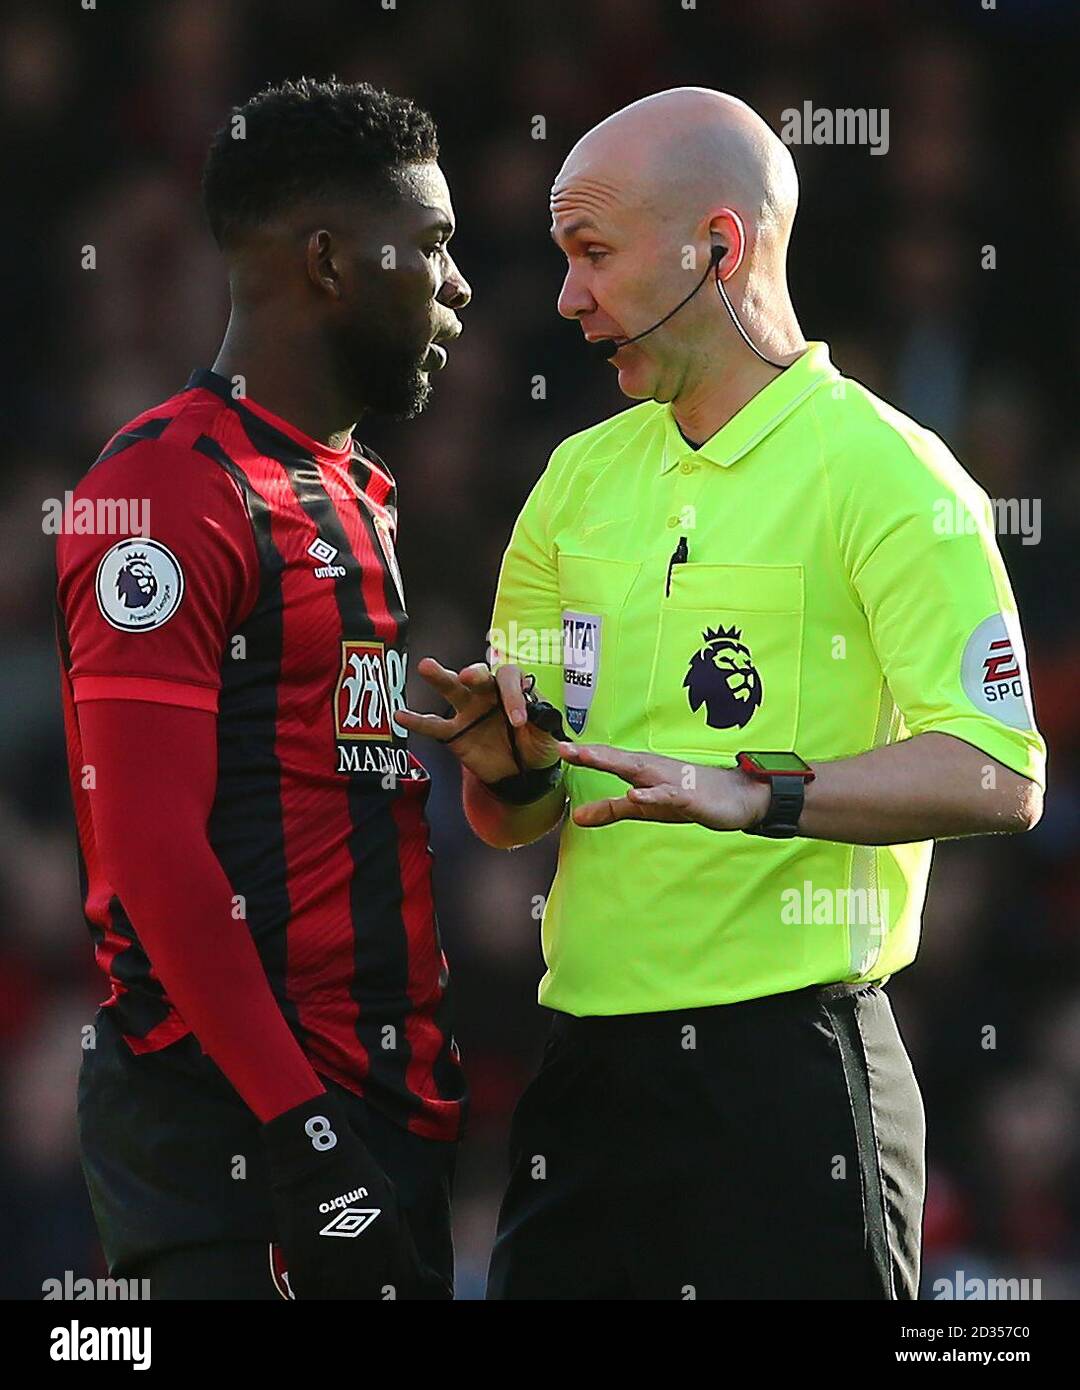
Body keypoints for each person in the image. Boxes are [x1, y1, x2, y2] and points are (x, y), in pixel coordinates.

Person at [397, 88, 1047, 1300]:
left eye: (593, 254)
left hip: (791, 1073)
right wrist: (507, 767)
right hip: (585, 1072)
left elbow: (1000, 771)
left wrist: (759, 796)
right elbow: (522, 815)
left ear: (716, 246)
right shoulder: (572, 483)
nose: (566, 296)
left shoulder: (892, 475)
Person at [55, 77, 472, 1300]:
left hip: (376, 1113)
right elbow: (149, 848)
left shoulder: (358, 492)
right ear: (332, 261)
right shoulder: (167, 491)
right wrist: (304, 1133)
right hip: (243, 1132)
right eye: (437, 246)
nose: (459, 288)